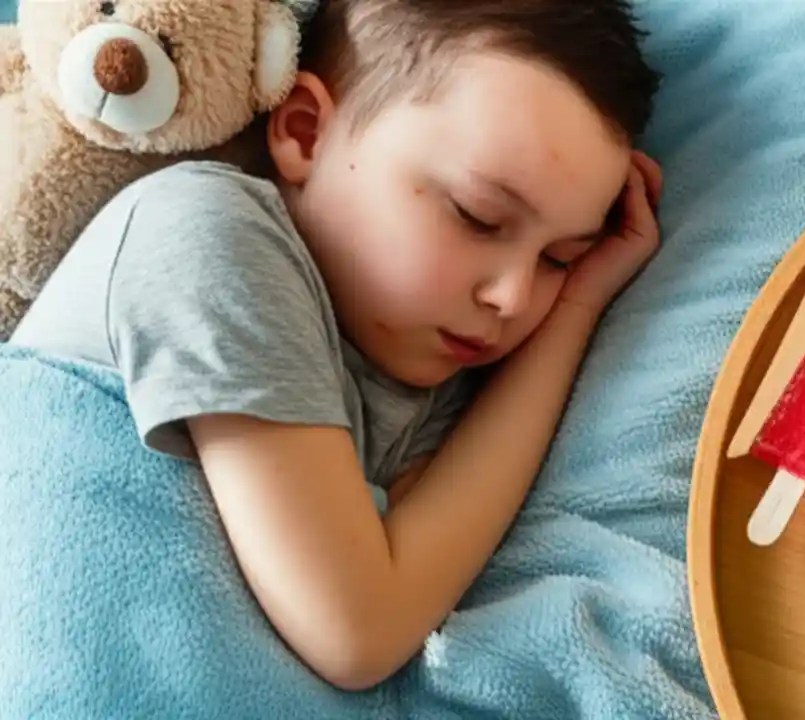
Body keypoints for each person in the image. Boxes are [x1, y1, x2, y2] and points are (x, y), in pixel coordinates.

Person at [12, 0, 662, 691]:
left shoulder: (427, 377)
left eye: (559, 259)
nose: (514, 297)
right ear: (306, 132)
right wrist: (572, 317)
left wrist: (584, 297)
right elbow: (360, 632)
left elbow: (417, 587)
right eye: (479, 217)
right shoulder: (204, 231)